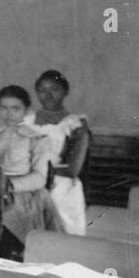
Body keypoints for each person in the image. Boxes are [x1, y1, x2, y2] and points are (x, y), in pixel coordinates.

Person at [0, 85, 57, 259]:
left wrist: (10, 185)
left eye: (15, 108)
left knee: (8, 219)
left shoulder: (37, 138)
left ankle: (10, 257)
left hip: (23, 193)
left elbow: (40, 177)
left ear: (26, 110)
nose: (8, 114)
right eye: (4, 108)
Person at [30, 70, 90, 235]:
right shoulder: (26, 120)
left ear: (65, 91)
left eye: (54, 89)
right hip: (28, 183)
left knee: (58, 239)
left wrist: (39, 171)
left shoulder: (75, 125)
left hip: (60, 187)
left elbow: (73, 169)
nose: (47, 95)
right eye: (42, 90)